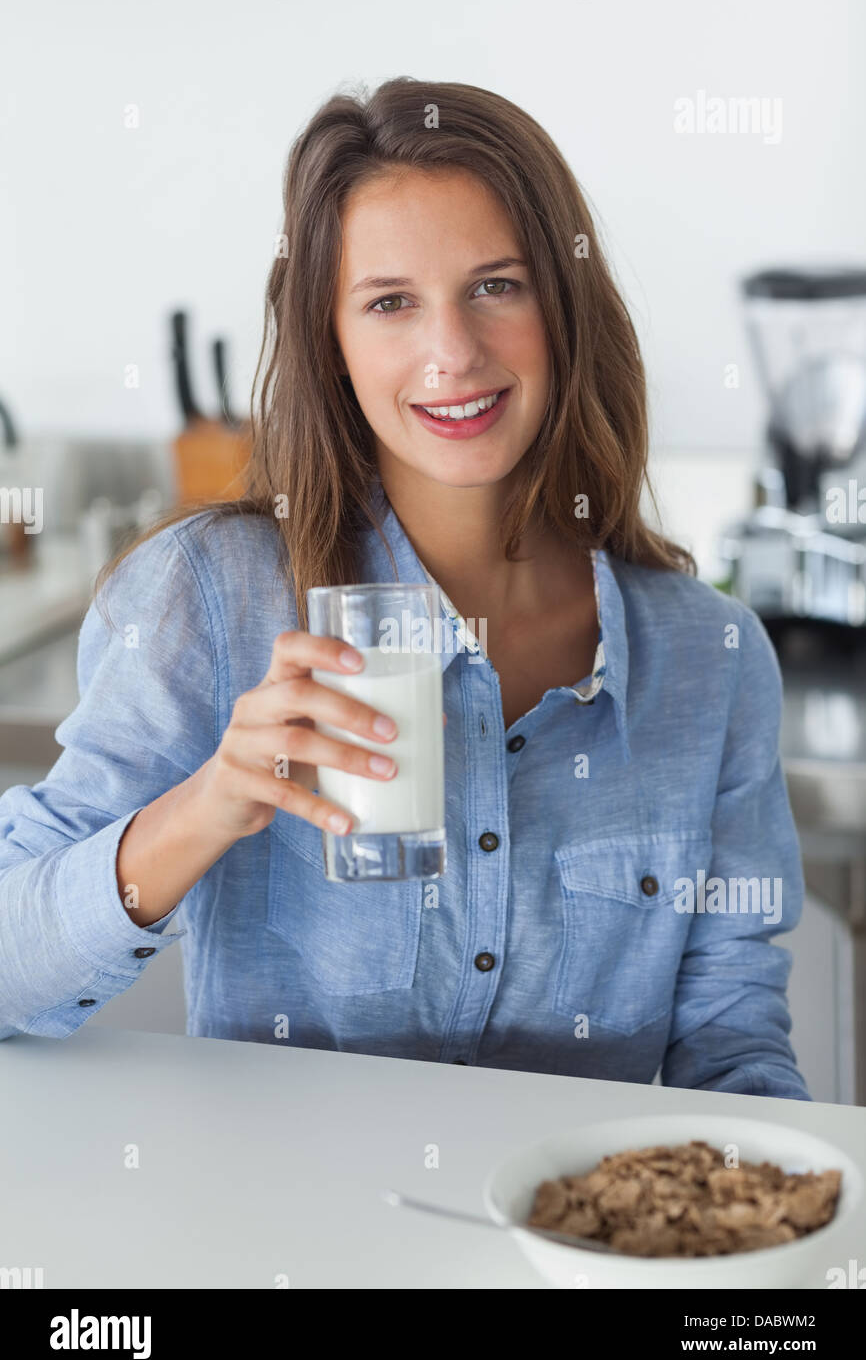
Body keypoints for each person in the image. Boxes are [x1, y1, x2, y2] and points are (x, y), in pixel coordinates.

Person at [0, 77, 810, 1099]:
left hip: (563, 1252)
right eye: (390, 303)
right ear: (329, 345)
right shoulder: (206, 599)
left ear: (564, 310)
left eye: (496, 286)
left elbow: (731, 1044)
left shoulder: (706, 657)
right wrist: (205, 806)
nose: (452, 354)